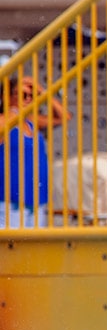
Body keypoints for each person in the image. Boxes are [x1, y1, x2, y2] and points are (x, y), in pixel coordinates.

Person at [0, 75, 68, 228]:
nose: (28, 99)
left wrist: (42, 91)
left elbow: (63, 117)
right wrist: (12, 112)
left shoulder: (31, 121)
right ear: (8, 96)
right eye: (23, 95)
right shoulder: (3, 120)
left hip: (36, 201)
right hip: (9, 203)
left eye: (32, 96)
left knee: (32, 250)